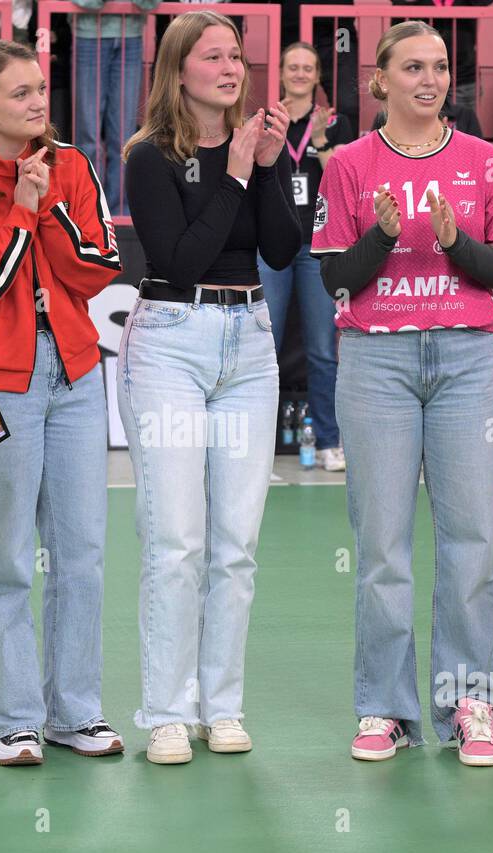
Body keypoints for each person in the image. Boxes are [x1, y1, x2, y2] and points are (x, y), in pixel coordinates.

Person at [311, 20, 493, 767]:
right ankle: (385, 708)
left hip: (467, 360)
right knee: (383, 546)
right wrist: (380, 237)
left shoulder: (484, 161)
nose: (430, 80)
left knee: (473, 539)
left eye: (439, 67)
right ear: (381, 79)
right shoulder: (348, 164)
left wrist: (454, 243)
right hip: (377, 363)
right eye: (413, 67)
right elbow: (334, 278)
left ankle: (470, 703)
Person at [0, 38, 125, 766]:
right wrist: (21, 209)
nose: (39, 102)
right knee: (2, 558)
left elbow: (97, 268)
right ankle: (16, 721)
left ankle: (76, 712)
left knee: (82, 554)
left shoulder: (73, 165)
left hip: (75, 374)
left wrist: (46, 209)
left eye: (41, 88)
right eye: (20, 93)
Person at [120, 10, 301, 765]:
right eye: (214, 57)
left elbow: (284, 249)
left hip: (249, 348)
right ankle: (167, 710)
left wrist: (272, 166)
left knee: (236, 544)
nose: (231, 69)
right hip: (171, 343)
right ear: (179, 70)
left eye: (237, 56)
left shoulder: (254, 148)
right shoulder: (147, 157)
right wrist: (232, 173)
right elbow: (177, 260)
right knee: (177, 540)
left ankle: (221, 706)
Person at [258, 42, 354, 472]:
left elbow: (346, 183)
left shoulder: (336, 123)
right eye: (292, 67)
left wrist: (319, 142)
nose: (299, 73)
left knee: (321, 350)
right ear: (280, 73)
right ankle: (257, 444)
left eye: (307, 68)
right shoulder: (266, 121)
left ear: (317, 77)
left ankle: (330, 441)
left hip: (318, 248)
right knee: (265, 347)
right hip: (274, 245)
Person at [69, 0, 164, 216]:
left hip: (130, 34)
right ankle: (88, 207)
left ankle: (118, 211)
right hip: (88, 33)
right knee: (87, 132)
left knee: (123, 133)